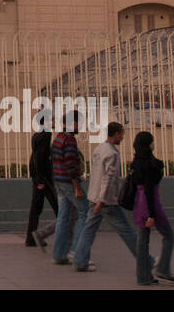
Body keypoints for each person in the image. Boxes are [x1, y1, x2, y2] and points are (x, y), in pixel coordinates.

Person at [72, 121, 150, 273]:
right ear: (116, 134)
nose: (123, 137)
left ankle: (80, 261)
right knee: (127, 231)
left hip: (93, 197)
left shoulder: (99, 149)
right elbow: (108, 179)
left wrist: (96, 199)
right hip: (105, 201)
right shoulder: (112, 154)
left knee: (88, 229)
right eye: (121, 134)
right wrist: (101, 201)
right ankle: (146, 260)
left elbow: (96, 174)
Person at [133, 130, 174, 285]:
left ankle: (143, 277)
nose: (154, 144)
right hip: (150, 203)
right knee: (168, 236)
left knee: (142, 242)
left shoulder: (137, 161)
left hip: (139, 204)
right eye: (152, 141)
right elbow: (149, 190)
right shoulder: (150, 165)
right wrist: (152, 214)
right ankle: (163, 270)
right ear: (148, 145)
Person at [49, 110, 87, 264]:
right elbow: (71, 166)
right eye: (80, 123)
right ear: (73, 123)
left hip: (58, 182)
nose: (81, 126)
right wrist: (77, 188)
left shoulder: (58, 138)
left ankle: (58, 255)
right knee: (84, 213)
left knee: (63, 218)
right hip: (69, 183)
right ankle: (76, 251)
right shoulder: (70, 140)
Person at [26, 129, 58, 248]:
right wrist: (40, 180)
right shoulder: (46, 135)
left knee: (36, 208)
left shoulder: (37, 135)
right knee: (59, 208)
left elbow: (34, 157)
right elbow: (39, 158)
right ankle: (64, 236)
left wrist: (35, 177)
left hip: (38, 177)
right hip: (44, 179)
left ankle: (30, 238)